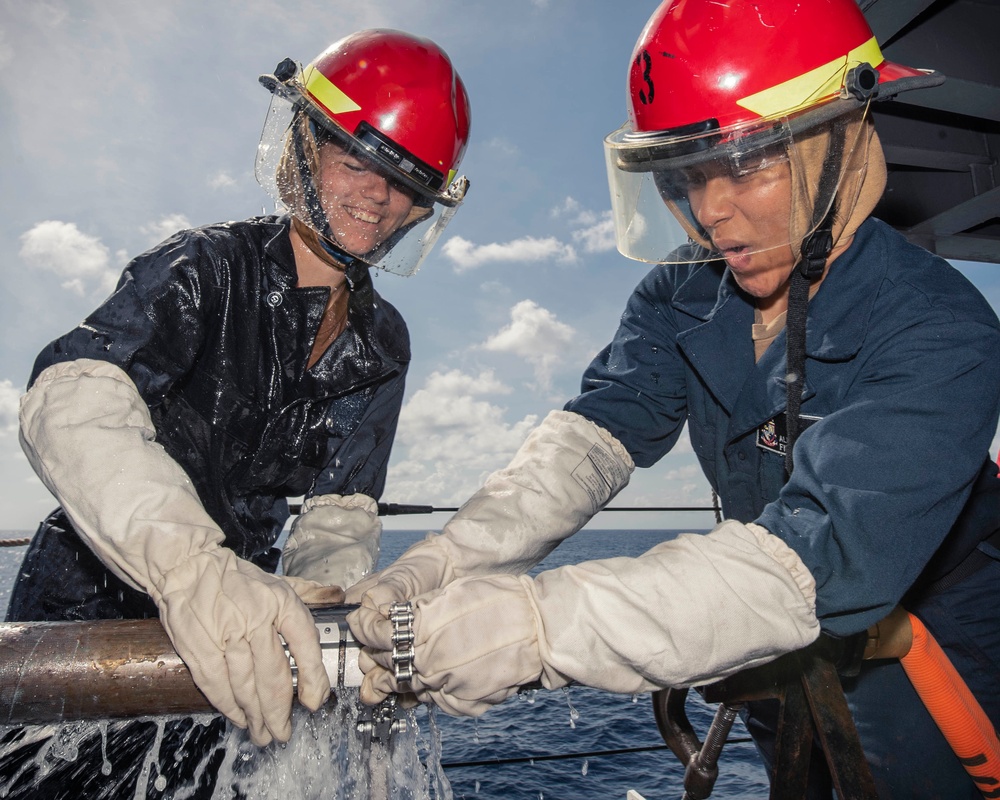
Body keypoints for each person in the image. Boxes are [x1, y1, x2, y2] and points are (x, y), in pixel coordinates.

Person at [346, 2, 1000, 797]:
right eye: (689, 175)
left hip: (934, 657)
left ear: (841, 133)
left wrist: (537, 627)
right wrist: (446, 561)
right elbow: (593, 440)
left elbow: (815, 565)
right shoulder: (683, 295)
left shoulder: (940, 329)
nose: (710, 209)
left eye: (747, 164)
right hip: (762, 640)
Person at [4, 27, 470, 796]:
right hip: (89, 604)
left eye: (408, 183)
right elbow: (70, 396)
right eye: (357, 160)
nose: (381, 199)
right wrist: (191, 568)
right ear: (304, 147)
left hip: (243, 625)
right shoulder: (205, 266)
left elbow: (340, 506)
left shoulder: (383, 342)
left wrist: (325, 614)